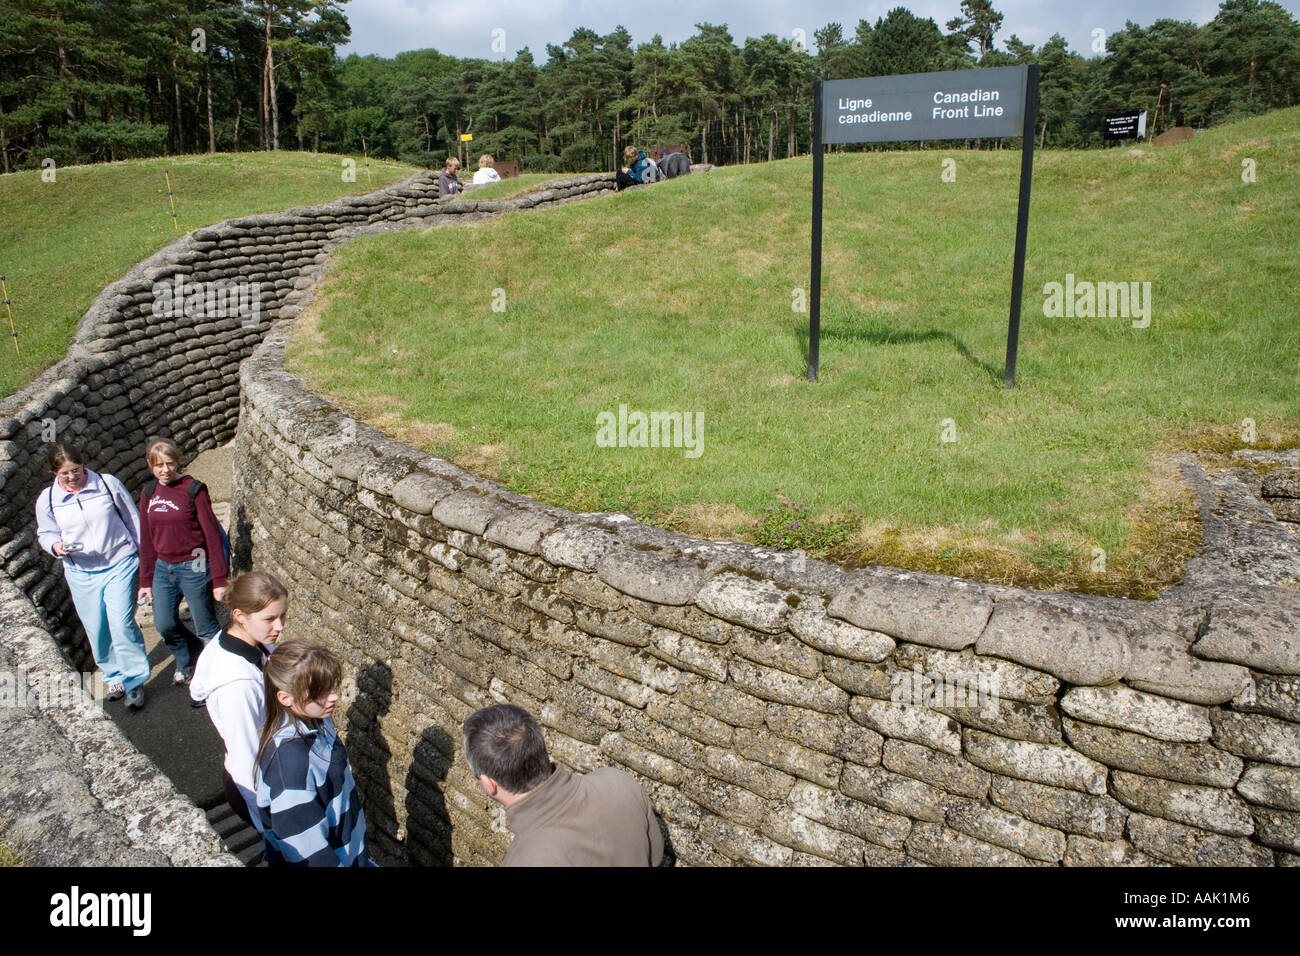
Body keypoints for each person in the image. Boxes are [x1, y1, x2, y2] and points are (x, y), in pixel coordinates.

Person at [462, 704, 664, 866]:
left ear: (489, 784)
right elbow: (655, 856)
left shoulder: (523, 860)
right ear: (538, 747)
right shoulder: (618, 782)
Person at [34, 442, 151, 710]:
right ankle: (115, 677)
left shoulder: (107, 484)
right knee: (97, 628)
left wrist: (146, 565)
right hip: (80, 571)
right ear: (55, 474)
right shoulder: (48, 500)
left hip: (120, 561)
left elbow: (133, 520)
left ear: (83, 464)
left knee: (121, 623)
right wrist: (55, 547)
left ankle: (134, 682)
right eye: (65, 474)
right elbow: (46, 533)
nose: (73, 477)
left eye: (76, 470)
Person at [255, 638, 371, 867]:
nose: (334, 696)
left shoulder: (318, 721)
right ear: (285, 697)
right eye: (320, 691)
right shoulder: (290, 772)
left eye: (332, 686)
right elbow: (309, 856)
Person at [190, 570, 287, 830]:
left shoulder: (252, 642)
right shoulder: (238, 686)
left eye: (282, 616)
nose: (279, 627)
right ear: (240, 616)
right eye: (270, 619)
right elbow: (246, 761)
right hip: (260, 788)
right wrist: (272, 826)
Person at [137, 438, 227, 685]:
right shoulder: (148, 493)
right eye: (158, 465)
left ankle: (214, 676)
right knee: (164, 624)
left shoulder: (193, 489)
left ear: (178, 461)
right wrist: (145, 581)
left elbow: (212, 537)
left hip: (194, 565)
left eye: (169, 463)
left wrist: (219, 579)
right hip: (163, 569)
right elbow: (146, 539)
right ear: (150, 465)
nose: (165, 470)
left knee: (206, 628)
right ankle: (187, 658)